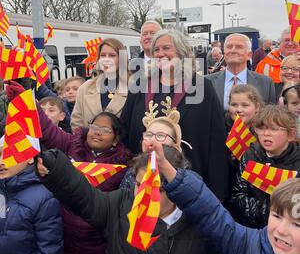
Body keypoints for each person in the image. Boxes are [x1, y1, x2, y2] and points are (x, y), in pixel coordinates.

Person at [35, 146, 231, 254]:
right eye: (138, 184)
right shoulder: (119, 203)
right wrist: (55, 168)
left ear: (175, 186)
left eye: (154, 187)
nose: (141, 194)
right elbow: (84, 197)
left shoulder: (199, 214)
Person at [5, 79, 132, 254]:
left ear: (116, 139)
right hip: (63, 243)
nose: (97, 132)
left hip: (96, 252)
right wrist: (24, 99)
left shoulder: (124, 168)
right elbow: (46, 129)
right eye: (94, 126)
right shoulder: (71, 144)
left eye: (105, 130)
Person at [147, 143, 300, 254]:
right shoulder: (247, 244)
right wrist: (167, 168)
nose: (281, 230)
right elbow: (210, 213)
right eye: (277, 216)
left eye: (297, 225)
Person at [121, 29, 229, 200]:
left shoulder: (202, 86)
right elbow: (125, 129)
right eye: (156, 49)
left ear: (182, 52)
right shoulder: (140, 85)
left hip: (188, 184)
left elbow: (216, 141)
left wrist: (218, 193)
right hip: (143, 181)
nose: (160, 53)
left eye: (166, 48)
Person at [229, 105, 300, 229]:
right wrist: (269, 212)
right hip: (252, 229)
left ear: (290, 134)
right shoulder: (250, 155)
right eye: (261, 128)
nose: (266, 133)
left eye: (274, 128)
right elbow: (238, 197)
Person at [0, 147, 63, 254]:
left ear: (30, 158)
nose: (1, 161)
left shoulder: (44, 198)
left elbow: (49, 253)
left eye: (9, 155)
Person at [206, 33, 276, 110]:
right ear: (224, 52)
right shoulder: (206, 81)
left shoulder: (266, 83)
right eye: (229, 47)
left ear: (249, 55)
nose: (232, 50)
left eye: (239, 47)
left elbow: (269, 117)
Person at [71, 38, 129, 130]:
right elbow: (77, 122)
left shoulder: (132, 89)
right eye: (103, 55)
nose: (106, 60)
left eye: (112, 55)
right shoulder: (85, 88)